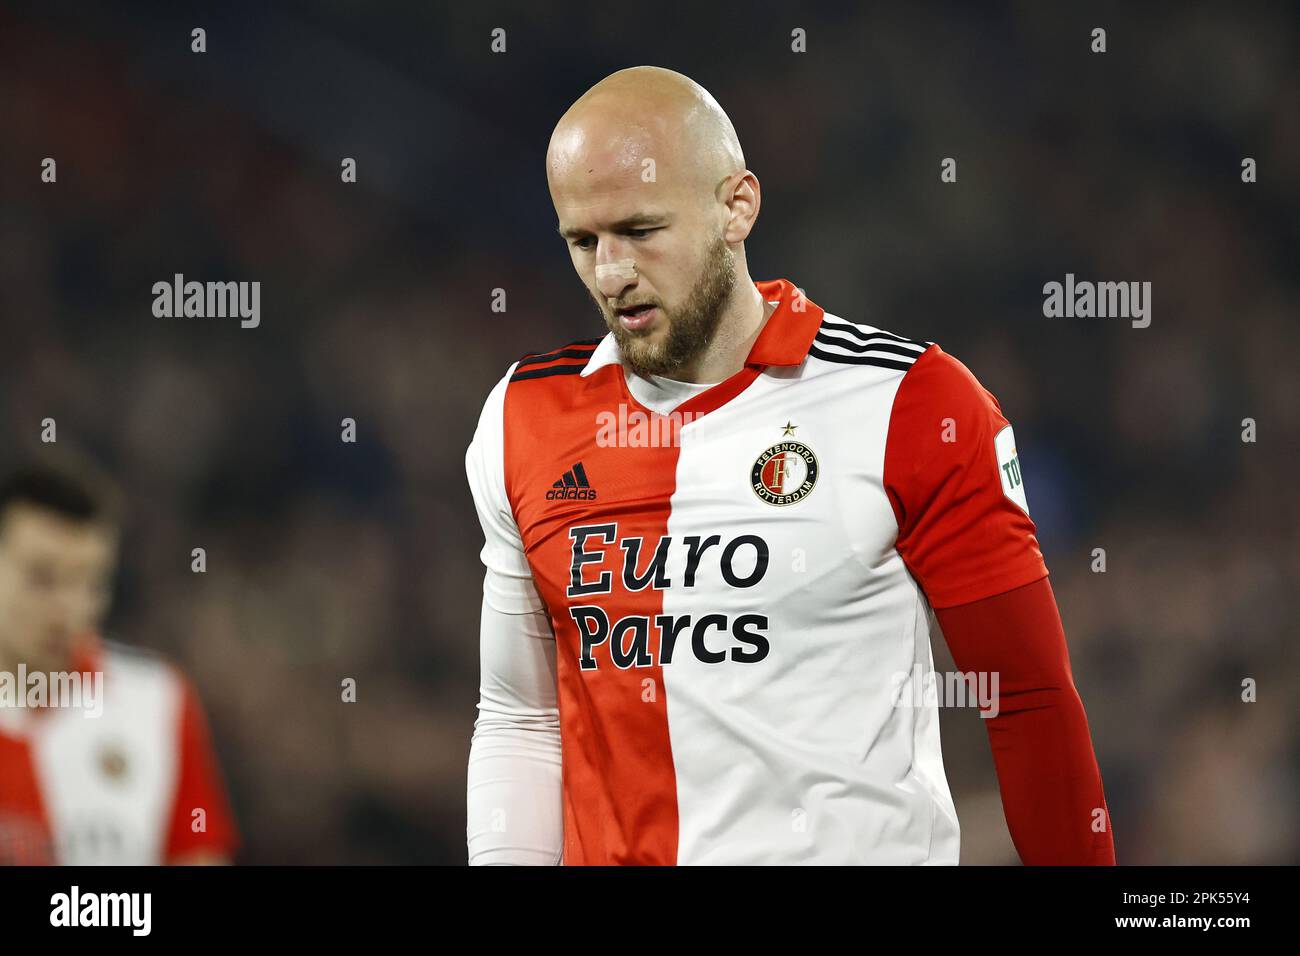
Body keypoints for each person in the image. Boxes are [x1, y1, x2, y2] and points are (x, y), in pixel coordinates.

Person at [465, 66, 1114, 865]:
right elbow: (519, 717)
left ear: (736, 206)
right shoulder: (524, 418)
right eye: (582, 241)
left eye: (639, 231)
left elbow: (1027, 700)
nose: (610, 273)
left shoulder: (913, 405)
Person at [0, 461, 239, 864]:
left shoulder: (158, 701)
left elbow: (198, 855)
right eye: (43, 578)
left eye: (89, 582)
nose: (68, 609)